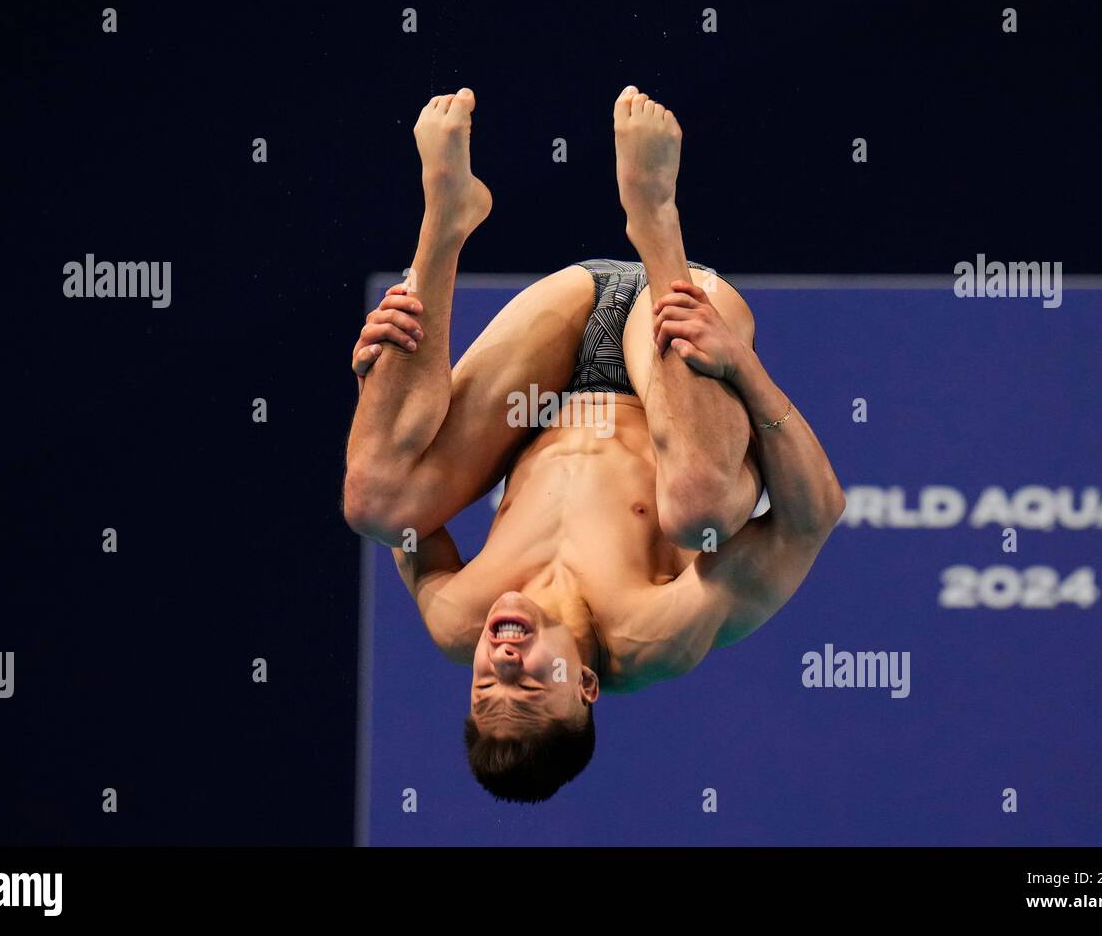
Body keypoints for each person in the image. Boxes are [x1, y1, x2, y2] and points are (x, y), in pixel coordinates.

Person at [344, 86, 844, 803]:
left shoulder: (457, 616)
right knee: (701, 508)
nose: (504, 657)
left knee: (376, 504)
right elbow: (814, 515)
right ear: (583, 686)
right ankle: (655, 217)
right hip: (674, 351)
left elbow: (403, 499)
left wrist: (378, 388)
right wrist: (743, 368)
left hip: (559, 345)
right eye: (526, 683)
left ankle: (445, 218)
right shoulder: (658, 634)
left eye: (486, 682)